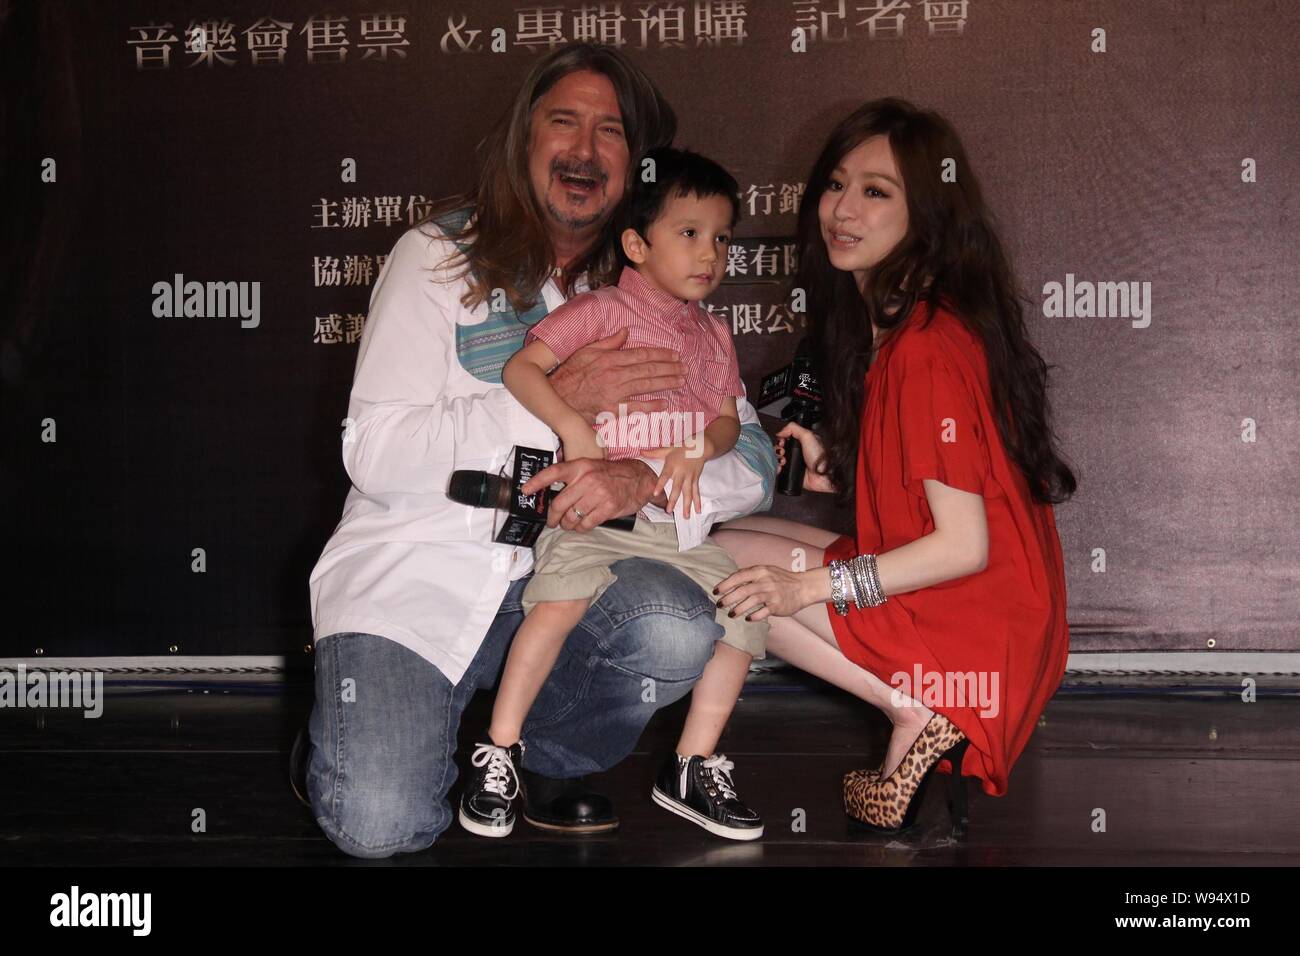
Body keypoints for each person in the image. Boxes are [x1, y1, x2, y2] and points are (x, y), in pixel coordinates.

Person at [301, 44, 777, 858]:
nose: (585, 149)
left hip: (571, 574)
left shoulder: (660, 286)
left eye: (611, 131)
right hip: (424, 573)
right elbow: (374, 448)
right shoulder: (437, 256)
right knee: (377, 822)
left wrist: (645, 475)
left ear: (639, 167)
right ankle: (381, 733)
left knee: (674, 625)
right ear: (525, 140)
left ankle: (547, 757)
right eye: (564, 123)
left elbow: (753, 462)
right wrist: (557, 413)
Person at [709, 98, 1075, 833]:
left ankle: (915, 707)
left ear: (929, 212)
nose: (841, 210)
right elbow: (943, 483)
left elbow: (962, 544)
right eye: (837, 185)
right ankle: (919, 702)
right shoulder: (918, 322)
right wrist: (844, 474)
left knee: (724, 564)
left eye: (876, 192)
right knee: (742, 539)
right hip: (1000, 609)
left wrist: (807, 587)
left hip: (976, 617)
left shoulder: (924, 347)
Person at [459, 147, 768, 842]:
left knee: (744, 608)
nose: (709, 253)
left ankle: (692, 763)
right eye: (688, 233)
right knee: (559, 600)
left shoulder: (715, 333)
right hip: (591, 511)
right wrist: (575, 430)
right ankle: (501, 751)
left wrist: (699, 449)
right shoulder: (600, 310)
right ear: (636, 243)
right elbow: (523, 368)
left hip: (673, 529)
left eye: (721, 237)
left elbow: (725, 417)